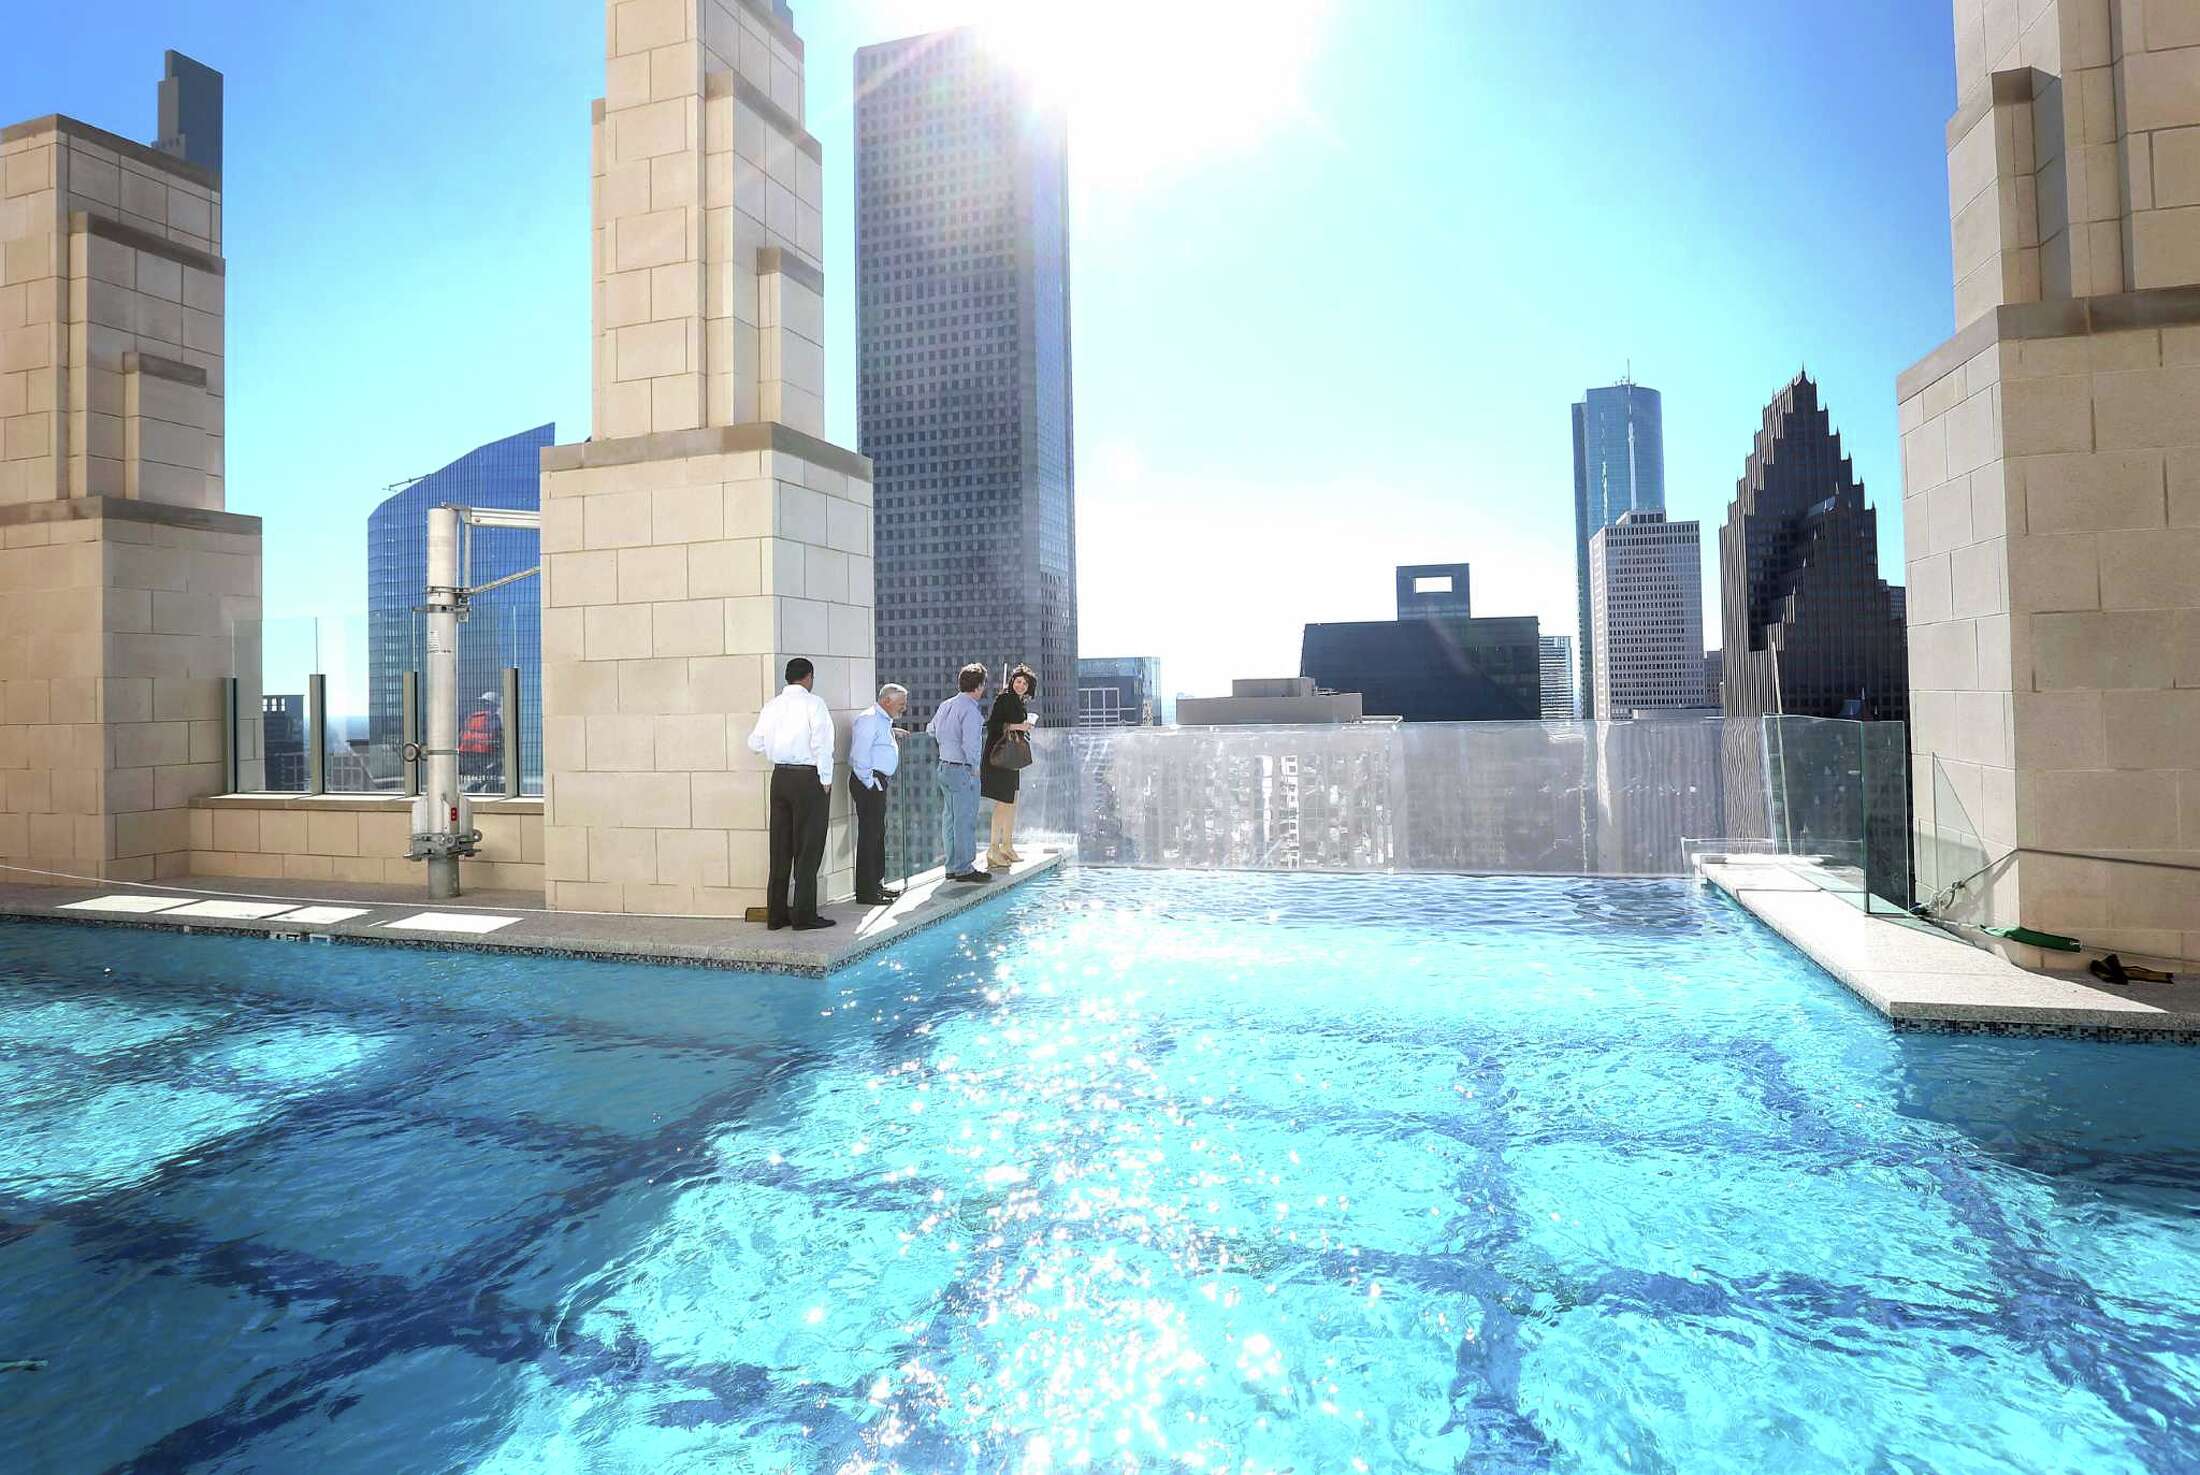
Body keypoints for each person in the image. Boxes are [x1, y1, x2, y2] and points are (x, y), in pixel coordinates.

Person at [745, 657, 835, 930]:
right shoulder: (814, 704)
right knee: (808, 849)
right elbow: (822, 743)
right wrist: (826, 778)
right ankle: (804, 916)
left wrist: (778, 745)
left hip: (780, 777)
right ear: (808, 677)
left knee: (780, 848)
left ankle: (776, 916)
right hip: (808, 778)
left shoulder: (772, 705)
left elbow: (754, 743)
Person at [926, 662, 990, 883]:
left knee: (950, 819)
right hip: (962, 770)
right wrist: (975, 768)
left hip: (944, 767)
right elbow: (970, 744)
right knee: (965, 819)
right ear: (979, 686)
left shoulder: (946, 705)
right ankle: (964, 868)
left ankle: (951, 866)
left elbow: (930, 729)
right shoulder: (970, 710)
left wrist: (947, 741)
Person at [848, 682, 907, 907]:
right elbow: (859, 754)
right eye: (901, 703)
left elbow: (877, 742)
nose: (904, 708)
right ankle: (866, 892)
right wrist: (871, 782)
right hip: (869, 783)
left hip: (877, 782)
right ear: (886, 701)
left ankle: (876, 884)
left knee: (878, 834)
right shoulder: (869, 719)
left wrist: (892, 733)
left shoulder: (882, 720)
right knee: (869, 836)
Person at [982, 664, 1037, 869]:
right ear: (1012, 681)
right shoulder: (1005, 698)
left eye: (1025, 683)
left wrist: (1023, 728)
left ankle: (1007, 845)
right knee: (1003, 802)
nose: (1021, 685)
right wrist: (1019, 726)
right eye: (1018, 681)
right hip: (999, 758)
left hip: (1010, 758)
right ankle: (993, 849)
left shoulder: (1017, 702)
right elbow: (993, 725)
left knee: (1011, 801)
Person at [459, 691, 503, 793]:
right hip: (484, 753)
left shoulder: (473, 716)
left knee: (480, 774)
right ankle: (484, 788)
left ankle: (476, 787)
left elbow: (463, 734)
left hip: (468, 752)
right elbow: (495, 736)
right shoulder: (493, 718)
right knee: (493, 770)